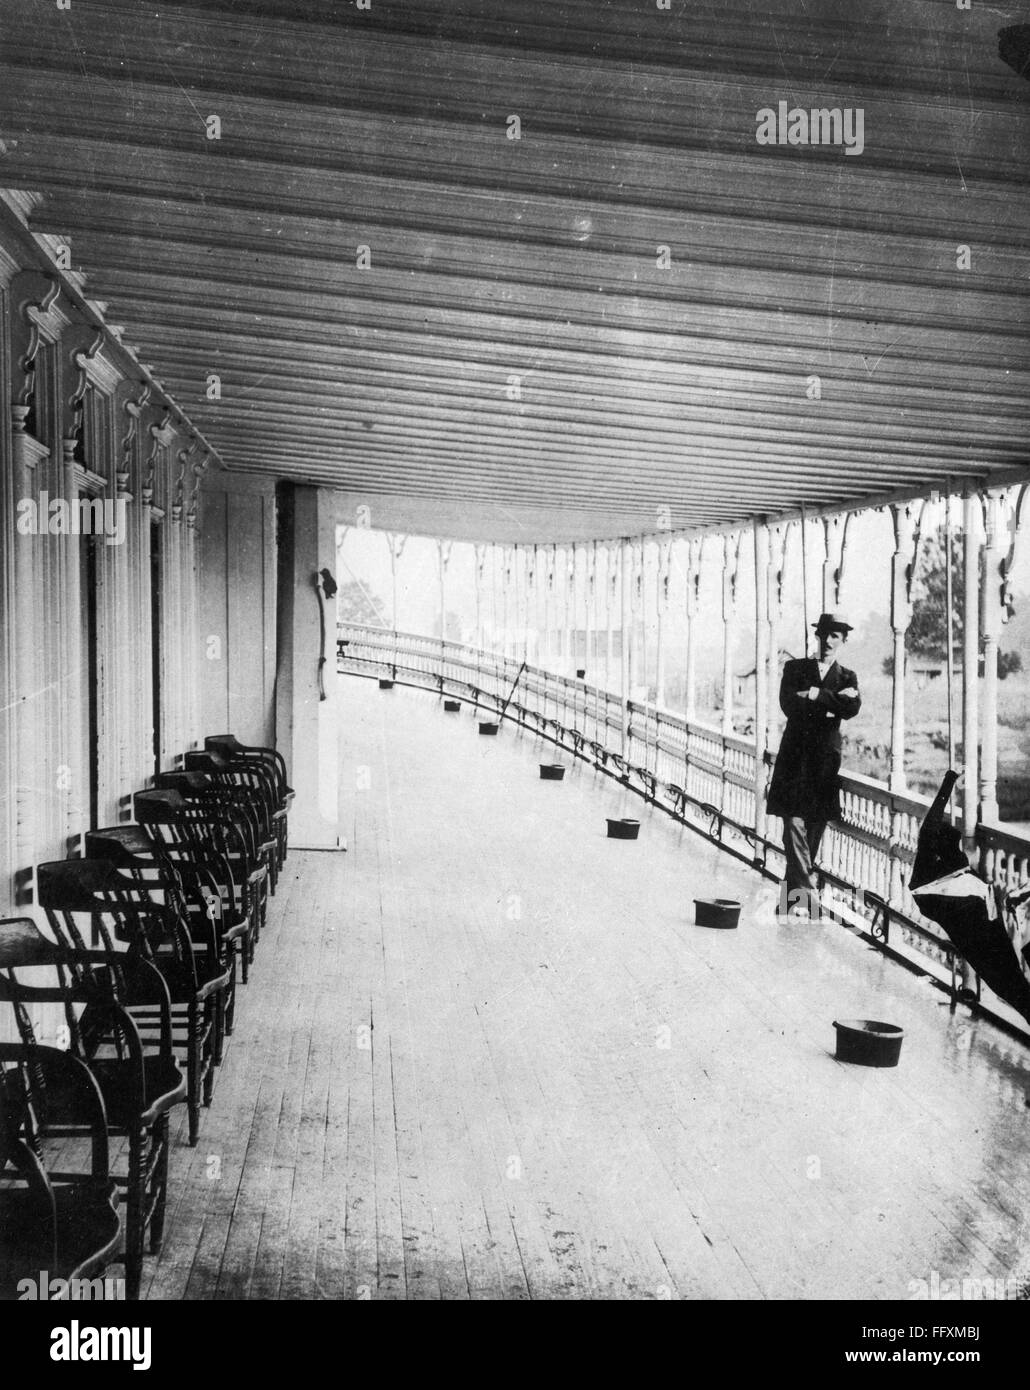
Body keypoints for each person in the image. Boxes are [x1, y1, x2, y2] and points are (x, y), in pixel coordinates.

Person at [766, 611, 861, 917]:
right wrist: (832, 703)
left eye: (834, 636)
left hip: (823, 762)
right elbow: (789, 705)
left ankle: (790, 896)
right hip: (795, 757)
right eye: (822, 635)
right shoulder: (796, 668)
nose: (827, 641)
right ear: (815, 637)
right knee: (793, 822)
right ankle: (808, 895)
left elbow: (852, 708)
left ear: (843, 641)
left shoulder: (848, 676)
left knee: (814, 828)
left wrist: (816, 694)